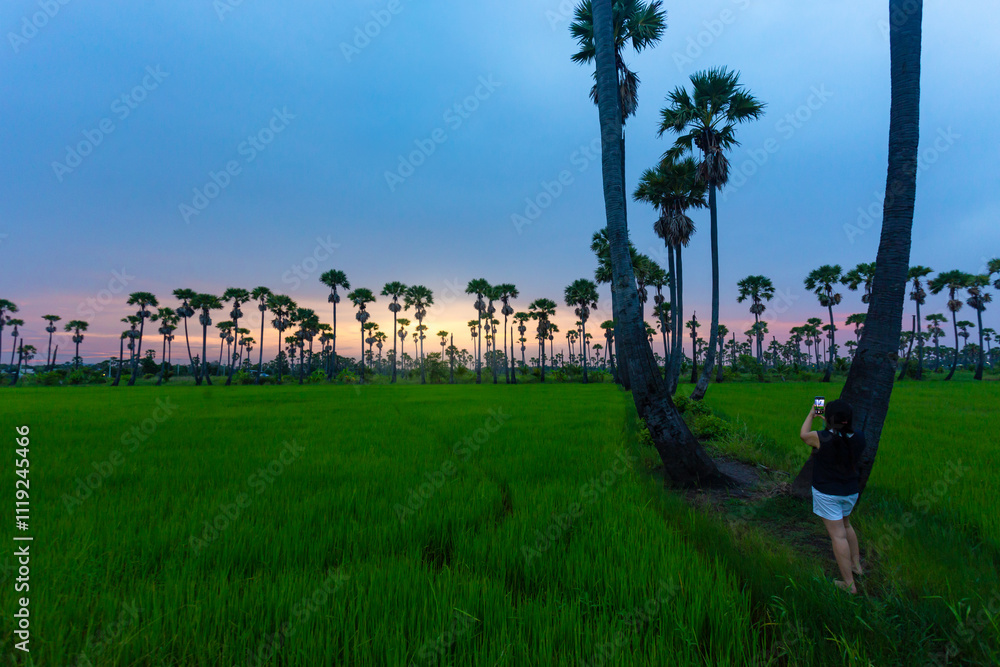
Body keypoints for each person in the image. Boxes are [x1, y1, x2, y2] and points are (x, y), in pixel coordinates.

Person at [799, 398, 866, 594]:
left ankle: (849, 584)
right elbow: (840, 437)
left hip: (828, 493)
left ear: (830, 418)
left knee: (838, 536)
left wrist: (812, 414)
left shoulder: (820, 437)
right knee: (846, 525)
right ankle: (856, 566)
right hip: (850, 491)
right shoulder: (860, 437)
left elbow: (804, 435)